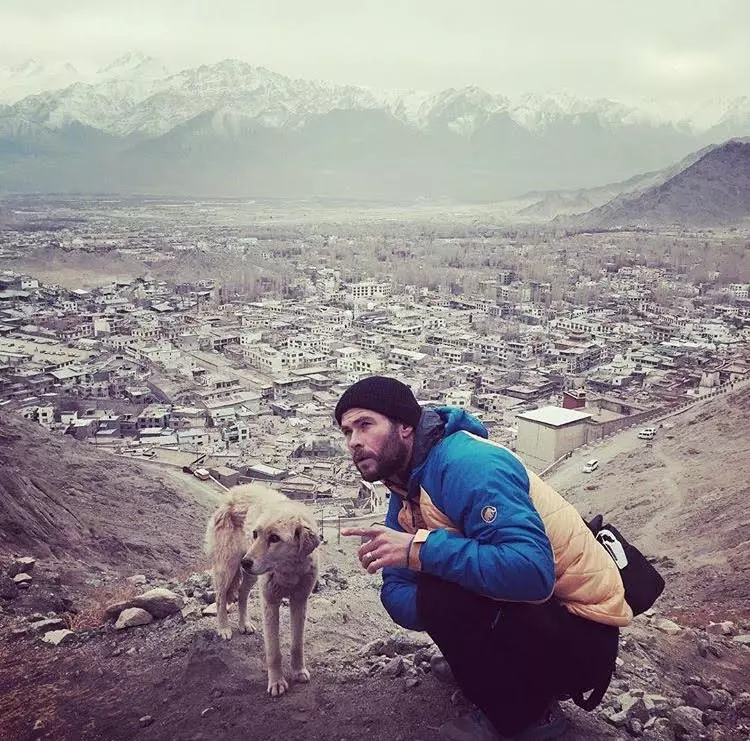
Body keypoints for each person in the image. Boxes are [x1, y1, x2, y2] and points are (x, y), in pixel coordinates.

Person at [336, 376, 632, 741]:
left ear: (406, 426)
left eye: (366, 425)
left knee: (440, 587)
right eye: (347, 432)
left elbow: (532, 573)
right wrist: (455, 627)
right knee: (439, 589)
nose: (355, 442)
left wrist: (426, 563)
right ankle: (496, 673)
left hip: (583, 636)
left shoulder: (468, 465)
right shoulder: (405, 484)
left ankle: (527, 716)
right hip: (541, 620)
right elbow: (397, 586)